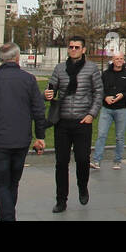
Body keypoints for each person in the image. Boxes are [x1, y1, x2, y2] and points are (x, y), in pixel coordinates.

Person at [0, 42, 47, 221]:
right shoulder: (29, 80)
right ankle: (7, 217)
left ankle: (7, 217)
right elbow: (38, 111)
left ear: (0, 59)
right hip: (20, 140)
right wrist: (40, 136)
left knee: (1, 184)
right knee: (12, 183)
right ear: (17, 58)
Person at [44, 35, 103, 212]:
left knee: (82, 159)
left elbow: (99, 93)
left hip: (82, 121)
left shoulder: (92, 68)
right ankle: (61, 200)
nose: (73, 50)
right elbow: (51, 87)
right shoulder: (60, 68)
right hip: (62, 121)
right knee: (61, 162)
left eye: (77, 47)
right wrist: (48, 93)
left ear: (84, 49)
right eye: (71, 47)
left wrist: (92, 114)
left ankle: (82, 186)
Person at [92, 51, 126, 170]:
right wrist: (105, 97)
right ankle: (96, 160)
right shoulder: (105, 74)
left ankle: (117, 160)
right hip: (107, 109)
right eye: (117, 59)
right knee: (101, 134)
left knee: (120, 136)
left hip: (122, 109)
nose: (119, 61)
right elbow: (99, 89)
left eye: (121, 58)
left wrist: (123, 95)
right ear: (113, 60)